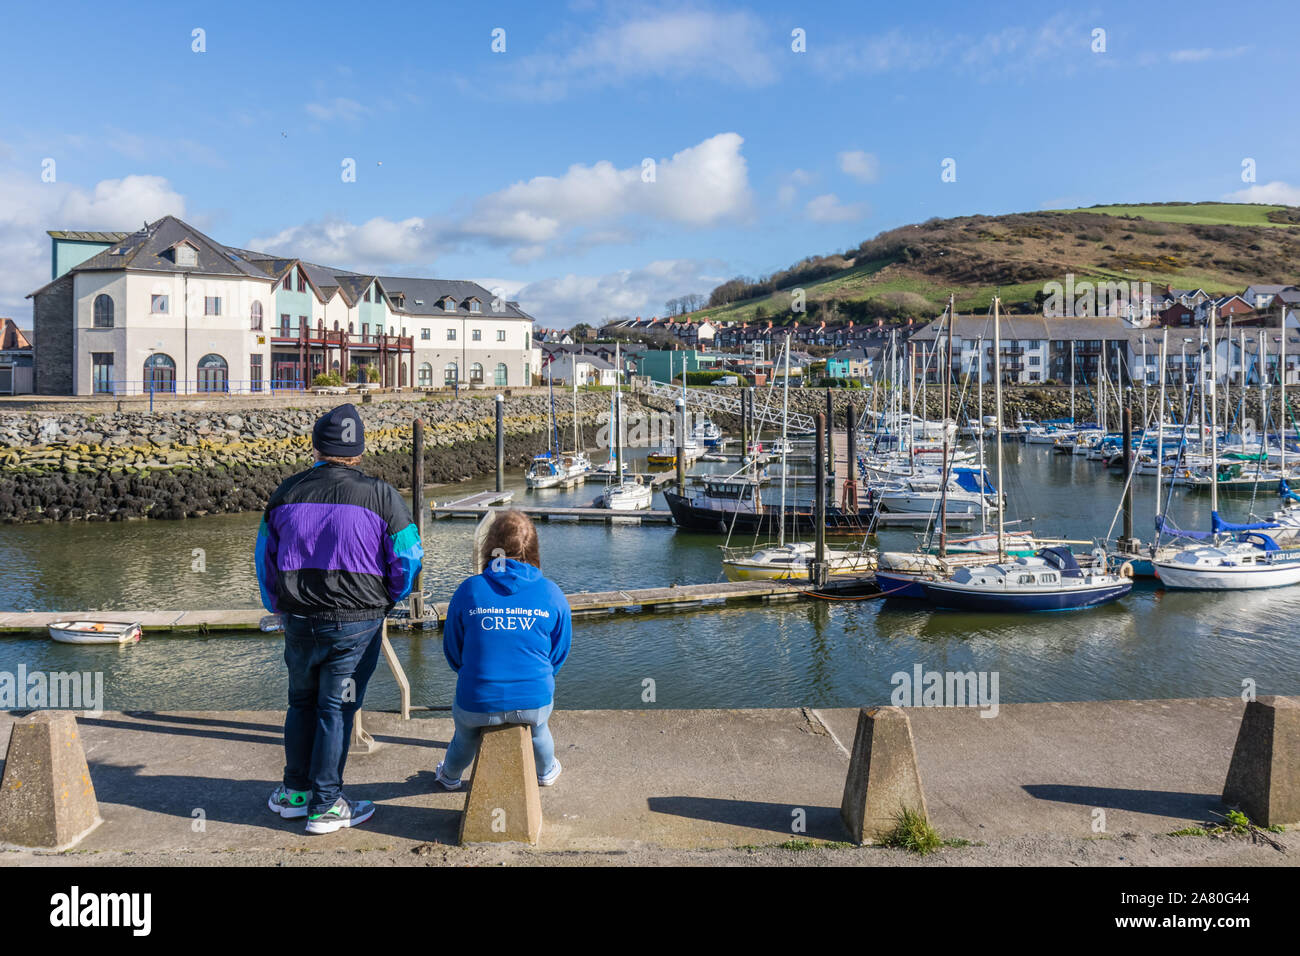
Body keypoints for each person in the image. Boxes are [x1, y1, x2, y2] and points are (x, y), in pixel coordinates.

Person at [255, 403, 423, 834]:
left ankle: (294, 794)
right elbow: (408, 557)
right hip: (358, 622)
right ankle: (327, 804)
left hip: (298, 617)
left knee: (301, 702)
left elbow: (265, 560)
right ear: (359, 449)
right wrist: (389, 597)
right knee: (337, 708)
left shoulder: (286, 492)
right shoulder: (382, 495)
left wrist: (278, 603)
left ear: (316, 446)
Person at [436, 510, 571, 790]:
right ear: (533, 549)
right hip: (533, 699)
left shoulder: (469, 590)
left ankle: (449, 776)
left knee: (464, 736)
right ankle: (546, 771)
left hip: (477, 698)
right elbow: (558, 654)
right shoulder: (552, 593)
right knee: (540, 730)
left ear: (489, 547)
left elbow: (453, 649)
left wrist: (473, 671)